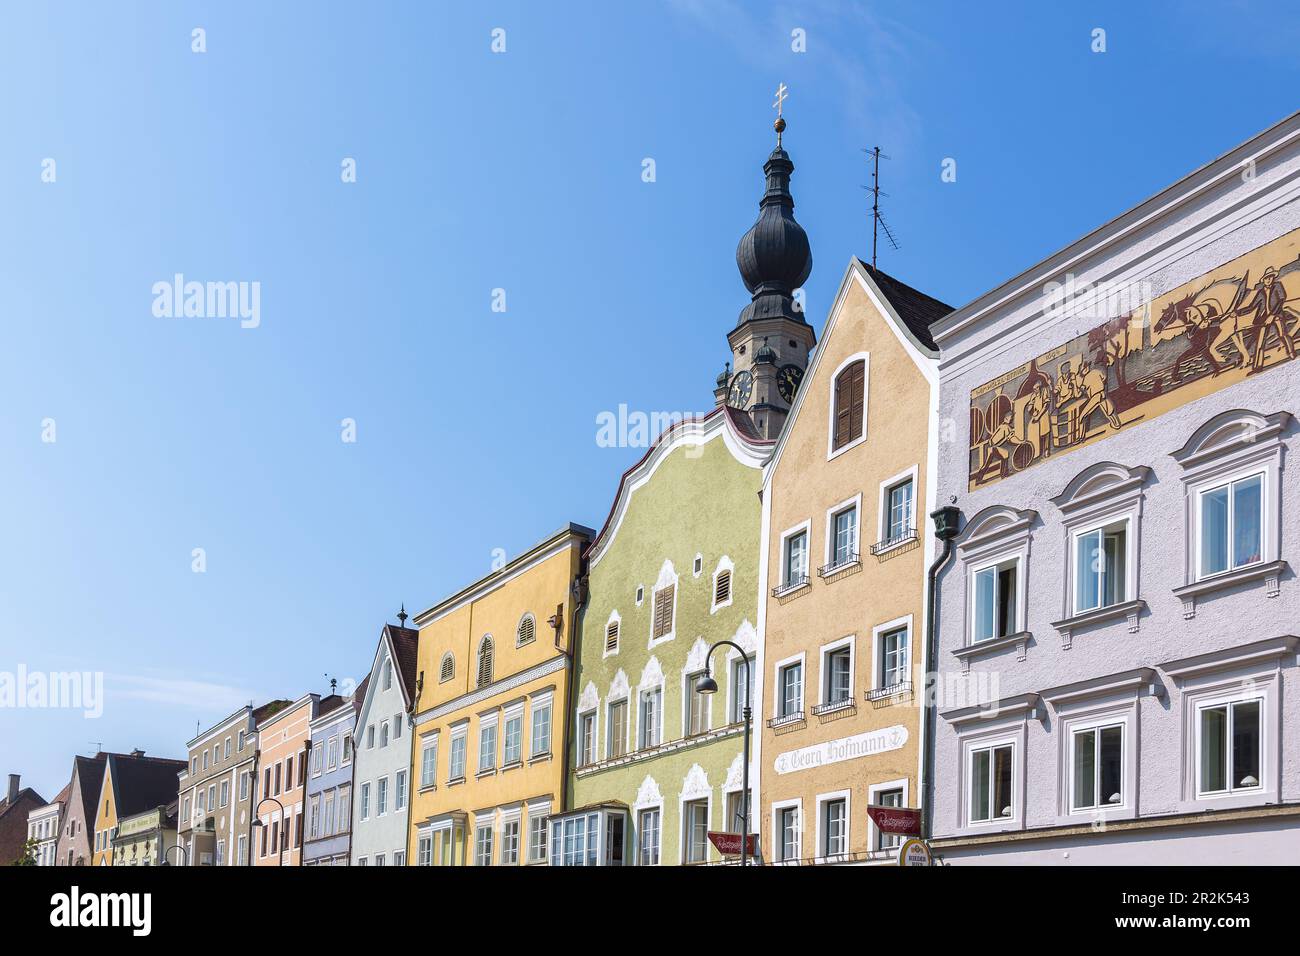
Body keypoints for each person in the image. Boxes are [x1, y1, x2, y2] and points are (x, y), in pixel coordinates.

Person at [1239, 266, 1296, 372]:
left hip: (1277, 315)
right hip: (1263, 320)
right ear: (1264, 280)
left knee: (1283, 334)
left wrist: (1272, 315)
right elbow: (1251, 307)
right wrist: (1237, 312)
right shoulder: (1261, 292)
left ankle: (1292, 352)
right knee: (1260, 342)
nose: (1268, 279)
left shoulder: (1277, 286)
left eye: (1270, 277)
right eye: (1266, 278)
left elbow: (1281, 300)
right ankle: (1257, 366)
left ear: (1273, 278)